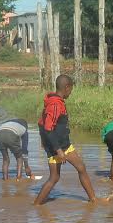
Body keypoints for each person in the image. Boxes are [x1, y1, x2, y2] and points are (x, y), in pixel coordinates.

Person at [34, 74, 99, 205]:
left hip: (58, 145)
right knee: (80, 168)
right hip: (60, 147)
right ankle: (93, 200)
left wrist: (45, 143)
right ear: (67, 87)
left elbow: (41, 123)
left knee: (55, 177)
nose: (71, 93)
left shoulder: (52, 102)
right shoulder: (55, 105)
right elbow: (48, 128)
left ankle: (36, 205)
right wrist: (59, 151)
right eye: (71, 90)